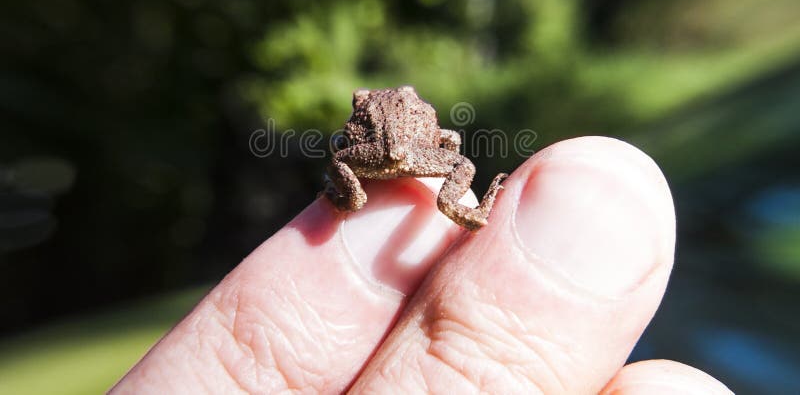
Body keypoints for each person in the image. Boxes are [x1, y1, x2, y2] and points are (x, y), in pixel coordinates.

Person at [112, 137, 732, 393]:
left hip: (384, 155)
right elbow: (451, 151)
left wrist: (345, 191)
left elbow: (348, 151)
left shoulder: (372, 129)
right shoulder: (423, 130)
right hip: (404, 151)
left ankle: (397, 202)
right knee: (455, 174)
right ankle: (476, 212)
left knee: (390, 179)